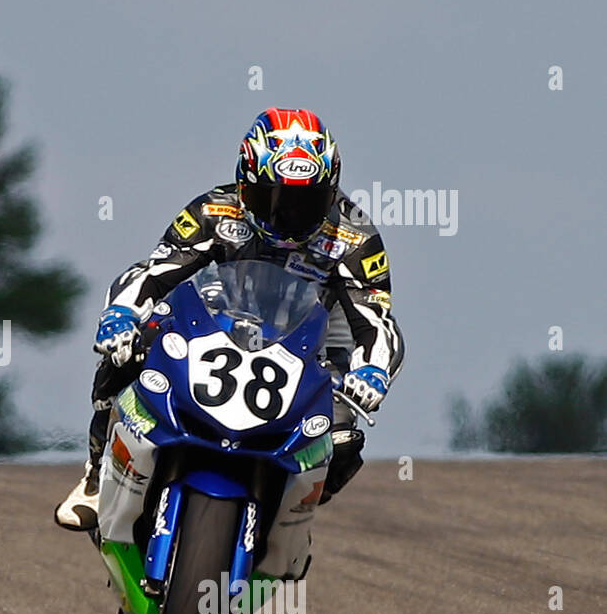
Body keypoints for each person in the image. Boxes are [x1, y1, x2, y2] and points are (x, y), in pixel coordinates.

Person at [55, 107, 404, 531]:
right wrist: (122, 314)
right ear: (244, 181)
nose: (286, 217)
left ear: (330, 193)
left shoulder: (353, 237)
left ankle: (287, 519)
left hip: (309, 346)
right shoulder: (213, 211)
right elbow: (155, 271)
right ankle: (95, 474)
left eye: (304, 203)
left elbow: (375, 315)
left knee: (345, 438)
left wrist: (372, 370)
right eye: (271, 199)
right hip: (211, 324)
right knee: (122, 358)